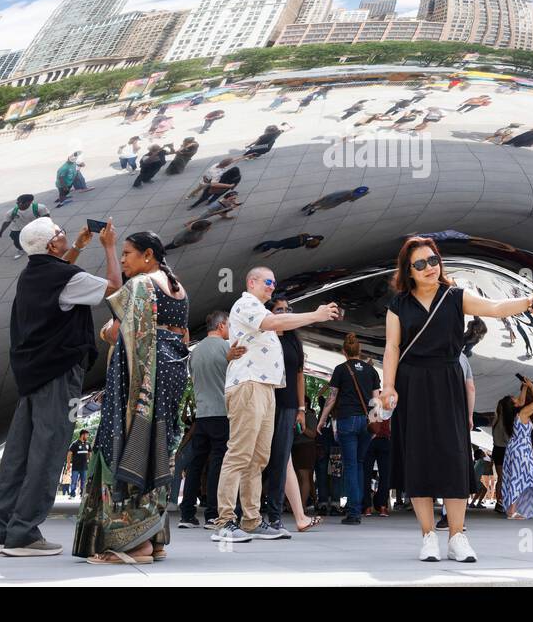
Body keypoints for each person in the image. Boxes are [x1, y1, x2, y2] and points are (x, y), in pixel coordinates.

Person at [379, 236, 533, 562]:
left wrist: (528, 301)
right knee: (418, 458)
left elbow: (494, 308)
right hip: (412, 383)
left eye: (433, 260)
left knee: (454, 457)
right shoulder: (398, 305)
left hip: (448, 380)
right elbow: (392, 347)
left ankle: (457, 536)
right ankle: (428, 536)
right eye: (420, 264)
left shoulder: (454, 297)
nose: (429, 268)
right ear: (408, 271)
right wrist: (388, 386)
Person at [0, 217, 121, 558]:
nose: (64, 234)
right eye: (60, 233)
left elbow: (61, 276)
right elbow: (115, 289)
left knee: (18, 453)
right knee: (49, 450)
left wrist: (77, 247)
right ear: (50, 245)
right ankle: (23, 534)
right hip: (59, 373)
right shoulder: (65, 277)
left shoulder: (32, 274)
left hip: (32, 375)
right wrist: (109, 247)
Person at [73, 230, 186, 565]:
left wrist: (107, 332)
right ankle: (155, 539)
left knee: (126, 447)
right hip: (170, 374)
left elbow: (118, 331)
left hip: (141, 380)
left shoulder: (141, 285)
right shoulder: (178, 289)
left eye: (127, 253)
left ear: (147, 255)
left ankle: (134, 546)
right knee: (157, 449)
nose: (123, 260)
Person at [212, 268, 338, 544]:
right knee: (240, 454)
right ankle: (225, 521)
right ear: (251, 282)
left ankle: (251, 520)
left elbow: (278, 325)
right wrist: (315, 315)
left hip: (266, 389)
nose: (272, 286)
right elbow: (273, 322)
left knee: (257, 458)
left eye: (274, 282)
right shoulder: (246, 304)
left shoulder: (259, 310)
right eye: (268, 282)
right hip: (248, 385)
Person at [177, 312, 244, 530]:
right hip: (222, 413)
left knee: (196, 464)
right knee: (218, 464)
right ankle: (213, 513)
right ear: (221, 325)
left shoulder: (195, 352)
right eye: (229, 325)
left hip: (201, 415)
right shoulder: (227, 348)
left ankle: (187, 514)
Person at [261, 296, 321, 535]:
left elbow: (299, 376)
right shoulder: (263, 336)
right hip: (265, 403)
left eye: (287, 309)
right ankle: (246, 513)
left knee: (281, 460)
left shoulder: (294, 340)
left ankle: (277, 517)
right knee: (261, 459)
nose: (285, 312)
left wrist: (301, 409)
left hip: (287, 406)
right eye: (279, 309)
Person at [318, 333, 381, 525]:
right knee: (360, 463)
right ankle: (359, 506)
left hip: (347, 420)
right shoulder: (371, 371)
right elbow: (376, 401)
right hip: (366, 422)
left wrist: (322, 419)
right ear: (360, 351)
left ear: (344, 351)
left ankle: (354, 513)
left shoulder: (340, 370)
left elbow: (332, 398)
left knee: (351, 465)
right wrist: (375, 423)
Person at [499, 378, 533, 520]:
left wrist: (524, 387)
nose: (518, 398)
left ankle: (513, 509)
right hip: (522, 451)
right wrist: (532, 387)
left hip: (513, 449)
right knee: (520, 478)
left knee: (515, 478)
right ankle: (512, 511)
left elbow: (522, 400)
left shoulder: (512, 416)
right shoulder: (523, 413)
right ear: (514, 404)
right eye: (515, 398)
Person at [0, 194, 51, 259]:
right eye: (18, 202)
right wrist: (1, 232)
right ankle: (21, 250)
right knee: (16, 241)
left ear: (30, 202)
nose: (19, 204)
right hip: (18, 229)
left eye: (22, 202)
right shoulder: (11, 212)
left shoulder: (39, 208)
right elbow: (7, 222)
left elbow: (46, 217)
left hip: (33, 228)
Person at [301, 186, 369, 215]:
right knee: (320, 203)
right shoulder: (346, 192)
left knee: (324, 207)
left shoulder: (356, 195)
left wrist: (355, 198)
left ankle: (313, 209)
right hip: (332, 199)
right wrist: (327, 199)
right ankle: (310, 206)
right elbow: (333, 195)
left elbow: (351, 199)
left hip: (337, 202)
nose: (354, 194)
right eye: (355, 193)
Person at [66, 430, 91, 499]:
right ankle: (72, 494)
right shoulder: (75, 444)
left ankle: (82, 495)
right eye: (87, 435)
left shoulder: (88, 444)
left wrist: (90, 462)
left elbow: (89, 454)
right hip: (76, 467)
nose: (87, 436)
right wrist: (68, 464)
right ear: (82, 435)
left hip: (84, 467)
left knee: (84, 481)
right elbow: (69, 454)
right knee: (74, 481)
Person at [254, 234, 324, 256]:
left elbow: (302, 235)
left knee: (278, 243)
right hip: (296, 243)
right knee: (278, 245)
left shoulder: (310, 236)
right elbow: (307, 245)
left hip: (294, 239)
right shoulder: (314, 241)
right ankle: (266, 245)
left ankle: (265, 246)